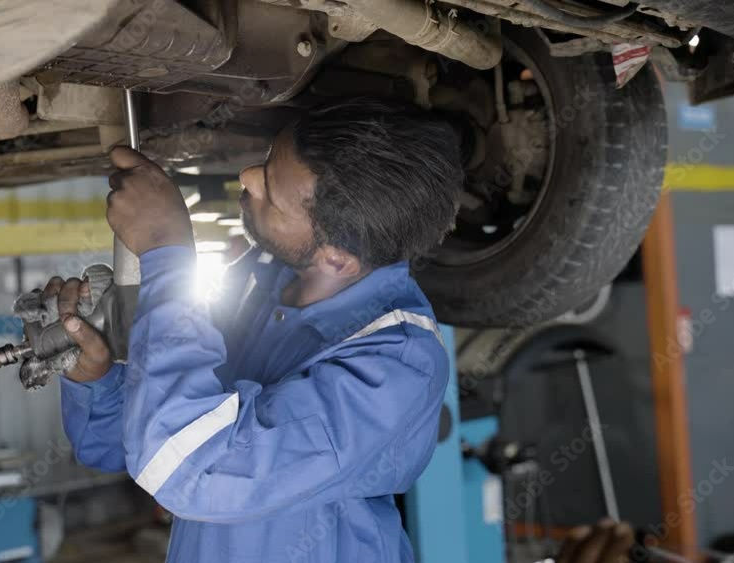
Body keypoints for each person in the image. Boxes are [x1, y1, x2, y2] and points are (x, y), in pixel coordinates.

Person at [51, 97, 465, 562]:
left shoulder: (393, 366)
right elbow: (130, 445)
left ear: (336, 259)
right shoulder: (266, 277)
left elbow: (182, 466)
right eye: (267, 161)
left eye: (271, 188)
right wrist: (98, 380)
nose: (248, 177)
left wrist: (166, 250)